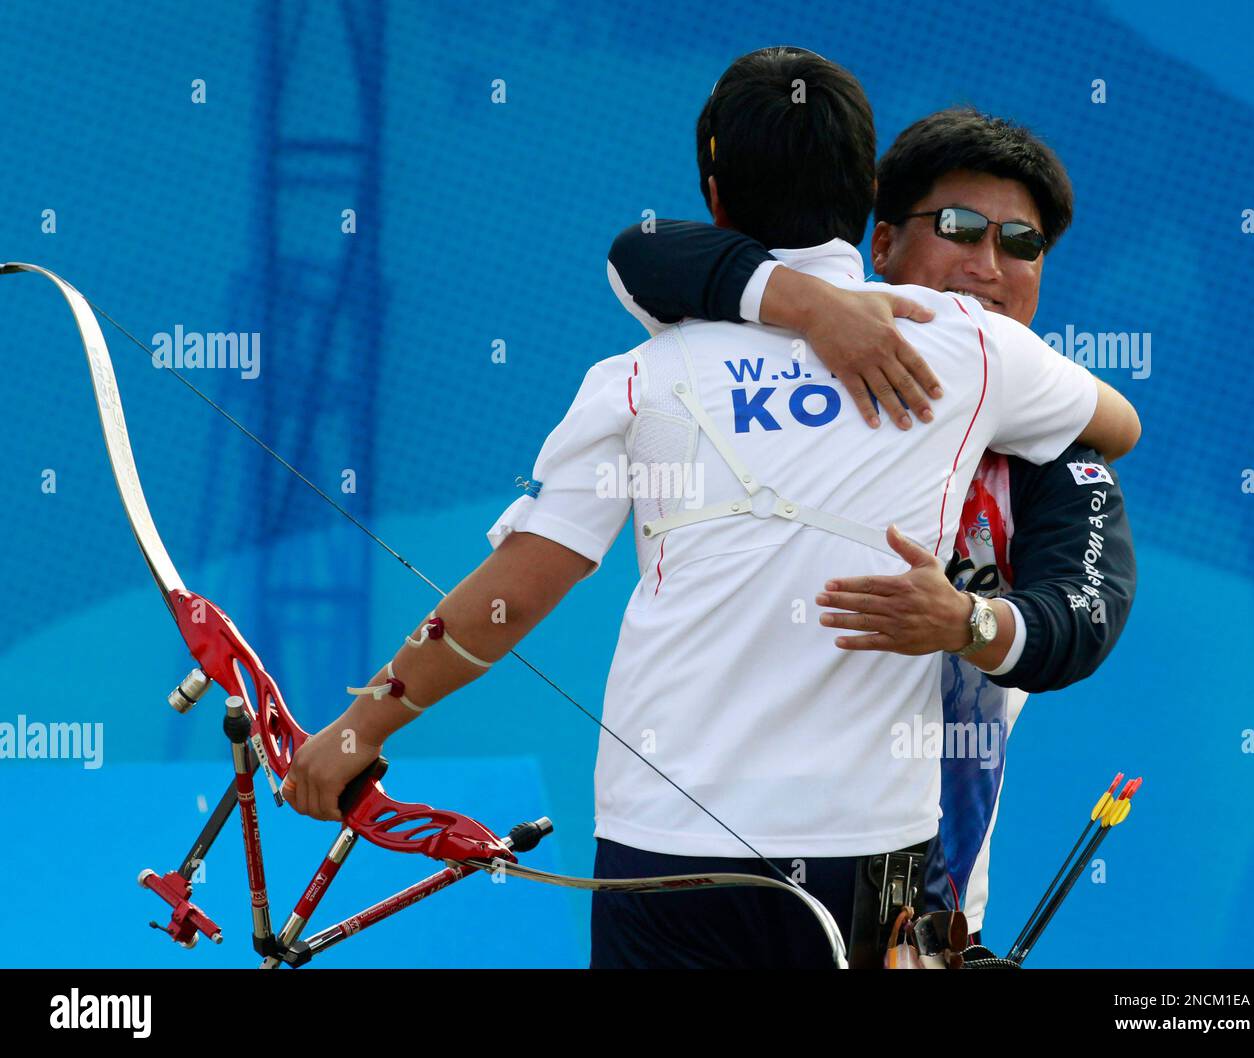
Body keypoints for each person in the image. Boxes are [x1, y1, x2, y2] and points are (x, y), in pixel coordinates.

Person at [283, 50, 1139, 969]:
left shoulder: (641, 374)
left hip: (664, 844)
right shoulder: (973, 348)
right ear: (869, 208)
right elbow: (1119, 423)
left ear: (715, 195)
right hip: (866, 849)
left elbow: (513, 595)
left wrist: (359, 729)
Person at [605, 106, 1138, 940]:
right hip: (698, 860)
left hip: (915, 914)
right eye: (958, 228)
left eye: (1020, 243)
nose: (987, 266)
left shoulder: (1054, 439)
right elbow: (644, 251)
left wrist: (969, 622)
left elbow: (1086, 614)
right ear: (879, 243)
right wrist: (819, 310)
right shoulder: (781, 363)